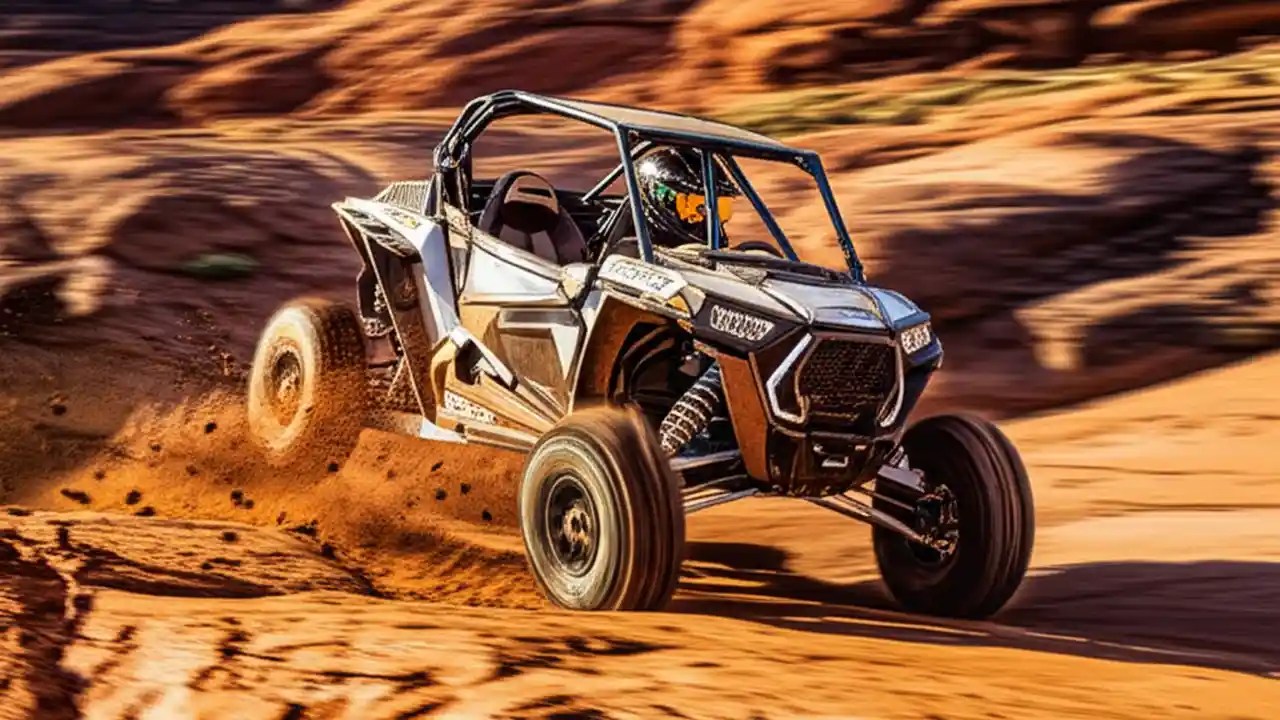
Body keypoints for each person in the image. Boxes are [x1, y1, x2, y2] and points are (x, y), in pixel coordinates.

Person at [634, 147, 740, 249]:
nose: (713, 221)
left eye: (720, 212)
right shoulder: (629, 257)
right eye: (699, 208)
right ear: (665, 201)